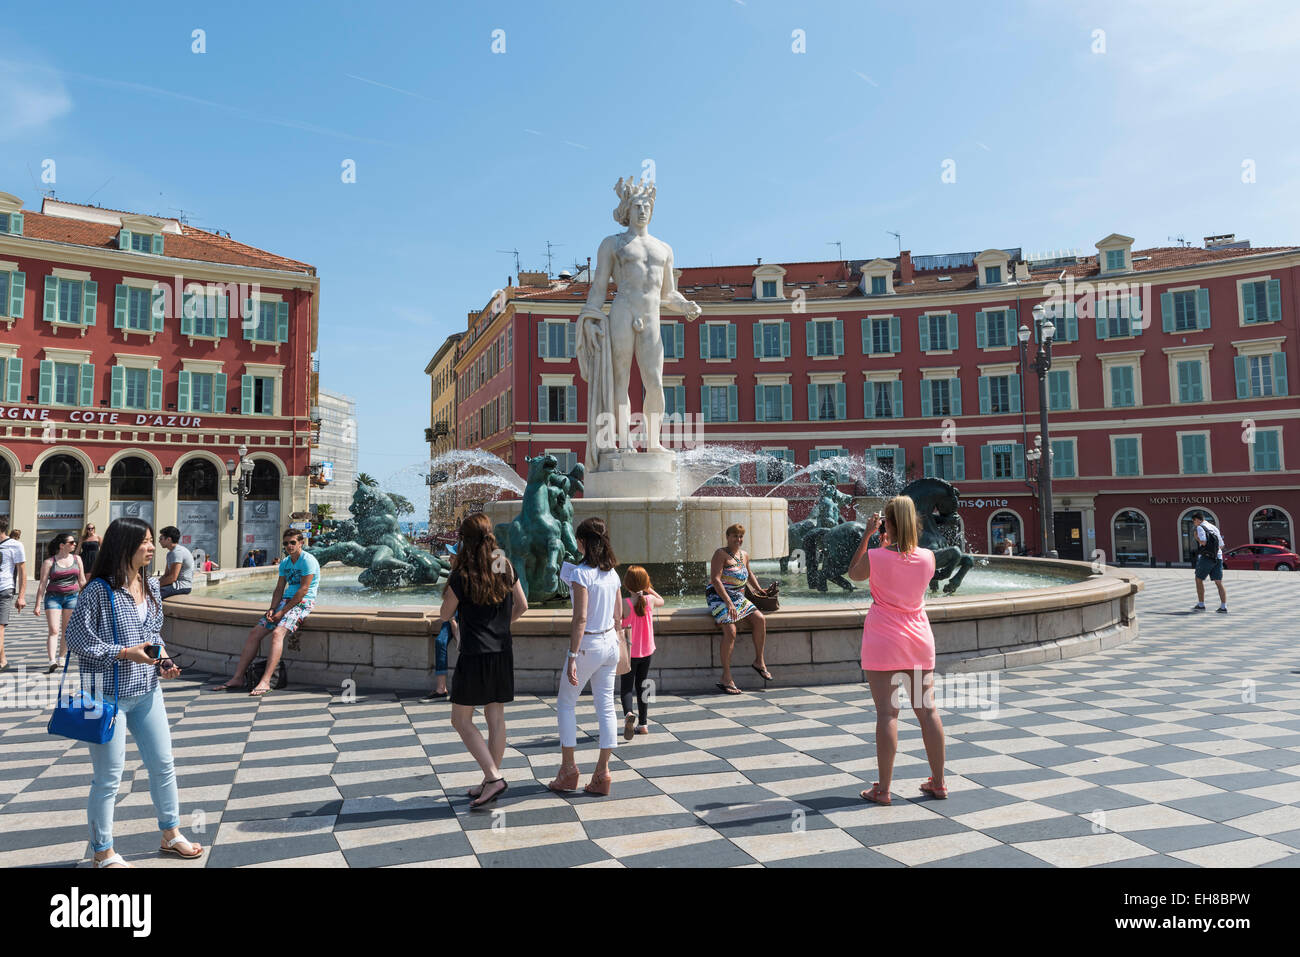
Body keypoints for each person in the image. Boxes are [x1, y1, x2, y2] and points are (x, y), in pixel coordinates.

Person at [64, 516, 203, 867]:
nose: (152, 547)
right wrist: (124, 653)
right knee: (109, 777)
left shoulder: (152, 586)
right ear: (124, 545)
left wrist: (163, 660)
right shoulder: (98, 590)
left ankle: (171, 833)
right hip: (103, 695)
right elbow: (78, 640)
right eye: (145, 541)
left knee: (163, 765)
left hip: (146, 690)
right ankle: (103, 852)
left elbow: (153, 634)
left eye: (153, 540)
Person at [847, 496, 947, 805]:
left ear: (885, 524)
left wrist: (867, 535)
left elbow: (854, 573)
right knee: (927, 711)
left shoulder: (876, 556)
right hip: (918, 639)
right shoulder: (928, 557)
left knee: (888, 713)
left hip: (884, 640)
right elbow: (908, 569)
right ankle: (939, 782)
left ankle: (884, 789)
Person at [436, 514, 526, 809]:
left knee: (460, 719)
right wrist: (501, 626)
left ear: (465, 540)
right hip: (502, 651)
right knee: (495, 717)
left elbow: (444, 615)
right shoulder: (504, 564)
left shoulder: (463, 574)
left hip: (475, 654)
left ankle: (493, 776)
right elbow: (523, 605)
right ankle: (490, 781)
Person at [550, 517, 623, 797]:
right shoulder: (612, 574)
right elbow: (618, 615)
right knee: (605, 705)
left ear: (582, 542)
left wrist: (571, 655)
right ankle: (602, 773)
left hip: (587, 645)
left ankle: (568, 769)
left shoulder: (582, 575)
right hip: (609, 643)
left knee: (566, 703)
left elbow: (579, 618)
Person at [214, 529, 319, 696]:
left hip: (303, 602)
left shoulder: (308, 561)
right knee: (255, 633)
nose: (289, 546)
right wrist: (272, 609)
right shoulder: (285, 563)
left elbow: (303, 590)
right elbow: (279, 589)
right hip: (285, 601)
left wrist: (283, 611)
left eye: (292, 542)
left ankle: (265, 680)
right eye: (286, 543)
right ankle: (238, 677)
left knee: (278, 633)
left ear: (301, 543)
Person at [707, 523, 770, 694]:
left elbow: (749, 574)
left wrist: (759, 590)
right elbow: (715, 580)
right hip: (719, 597)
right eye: (734, 536)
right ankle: (726, 677)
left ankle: (759, 661)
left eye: (740, 536)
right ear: (728, 537)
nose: (738, 539)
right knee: (731, 631)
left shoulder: (744, 555)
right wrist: (727, 602)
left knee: (760, 619)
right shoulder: (720, 554)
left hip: (738, 596)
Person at [619, 565, 663, 739]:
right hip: (647, 652)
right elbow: (662, 600)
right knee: (644, 685)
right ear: (645, 584)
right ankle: (643, 724)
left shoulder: (624, 603)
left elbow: (614, 619)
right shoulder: (650, 601)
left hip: (629, 653)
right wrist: (647, 589)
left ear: (627, 585)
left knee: (626, 688)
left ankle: (629, 714)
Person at [34, 533, 87, 673]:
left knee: (67, 630)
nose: (74, 544)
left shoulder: (77, 559)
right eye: (71, 542)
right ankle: (51, 660)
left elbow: (81, 580)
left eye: (74, 542)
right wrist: (37, 604)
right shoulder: (49, 562)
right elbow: (42, 584)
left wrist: (89, 596)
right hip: (53, 598)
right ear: (62, 545)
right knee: (54, 630)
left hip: (72, 597)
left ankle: (61, 656)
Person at [0, 518, 27, 672]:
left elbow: (23, 572)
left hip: (4, 589)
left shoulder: (15, 545)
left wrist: (21, 596)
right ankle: (3, 660)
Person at [1191, 511, 1228, 613]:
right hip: (1218, 557)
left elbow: (1203, 542)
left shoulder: (1200, 527)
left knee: (1198, 579)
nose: (1194, 523)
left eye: (1194, 521)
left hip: (1207, 557)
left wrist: (1196, 538)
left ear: (1197, 519)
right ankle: (1223, 607)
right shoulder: (1214, 527)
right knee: (1218, 582)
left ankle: (1201, 604)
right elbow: (1221, 545)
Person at [422, 616, 460, 701]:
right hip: (453, 614)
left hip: (471, 613)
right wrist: (452, 620)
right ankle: (441, 689)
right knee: (440, 642)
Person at [157, 526, 194, 599]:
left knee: (151, 596)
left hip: (182, 586)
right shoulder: (170, 553)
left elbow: (172, 578)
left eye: (161, 539)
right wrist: (153, 584)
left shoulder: (177, 552)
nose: (159, 541)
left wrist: (155, 585)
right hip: (174, 585)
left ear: (168, 539)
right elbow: (166, 575)